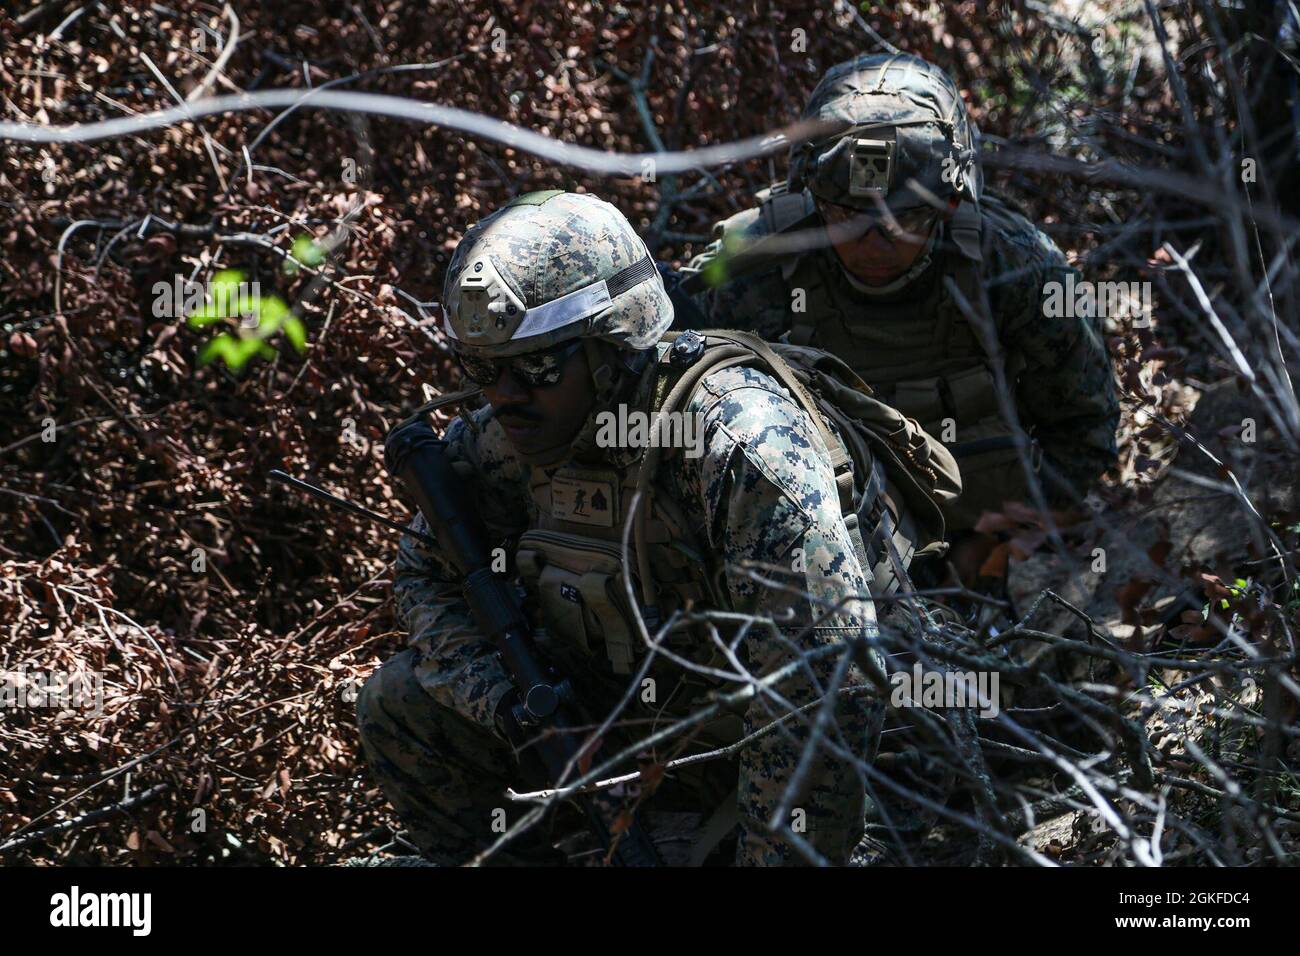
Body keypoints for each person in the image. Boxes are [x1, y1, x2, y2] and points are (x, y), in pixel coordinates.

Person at [356, 189, 955, 866]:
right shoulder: (512, 437)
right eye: (480, 369)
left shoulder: (735, 438)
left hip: (861, 747)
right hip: (663, 732)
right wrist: (518, 710)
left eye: (537, 365)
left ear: (614, 344)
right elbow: (424, 573)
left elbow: (831, 674)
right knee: (399, 702)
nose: (503, 396)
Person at [681, 53, 1119, 580]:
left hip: (981, 552)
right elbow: (676, 401)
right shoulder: (756, 265)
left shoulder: (1012, 265)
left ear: (950, 204)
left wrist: (1032, 528)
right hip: (813, 562)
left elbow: (1084, 422)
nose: (874, 242)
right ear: (814, 198)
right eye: (847, 214)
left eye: (904, 217)